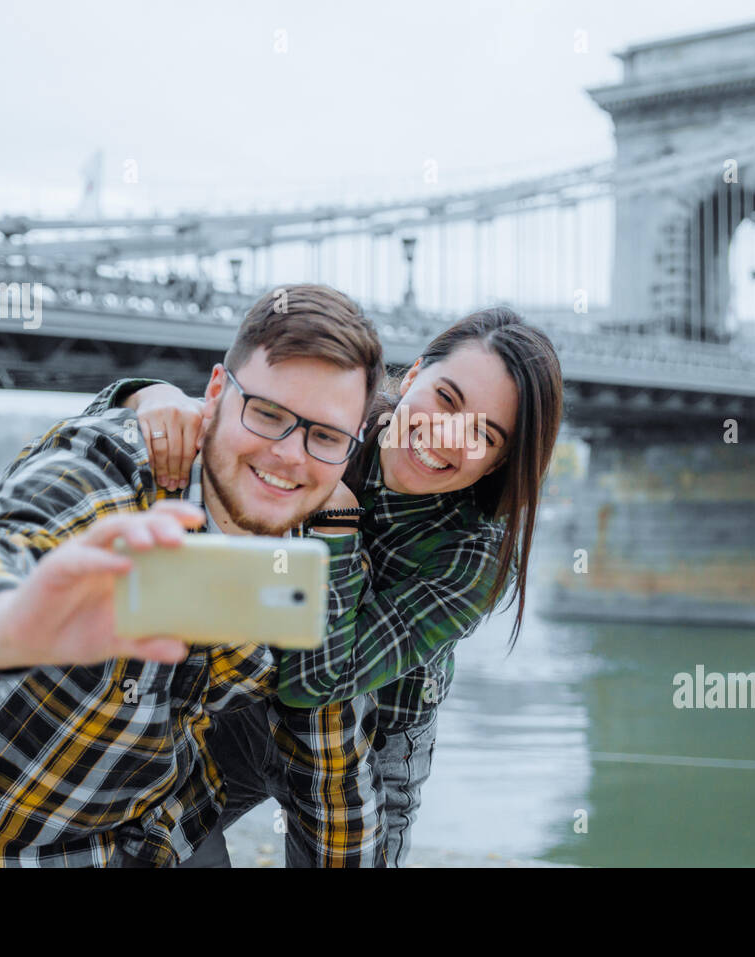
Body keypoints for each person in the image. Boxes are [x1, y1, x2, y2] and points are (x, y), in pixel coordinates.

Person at [0, 283, 388, 867]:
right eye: (268, 414)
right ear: (218, 392)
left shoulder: (313, 561)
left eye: (324, 436)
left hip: (156, 832)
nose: (290, 455)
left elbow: (333, 763)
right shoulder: (118, 468)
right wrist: (7, 625)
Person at [93, 305, 564, 865]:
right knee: (150, 838)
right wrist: (148, 397)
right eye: (445, 398)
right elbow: (229, 425)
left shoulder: (477, 557)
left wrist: (335, 524)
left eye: (483, 433)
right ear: (411, 376)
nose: (445, 434)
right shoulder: (340, 423)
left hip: (374, 741)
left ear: (497, 463)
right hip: (246, 694)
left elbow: (320, 682)